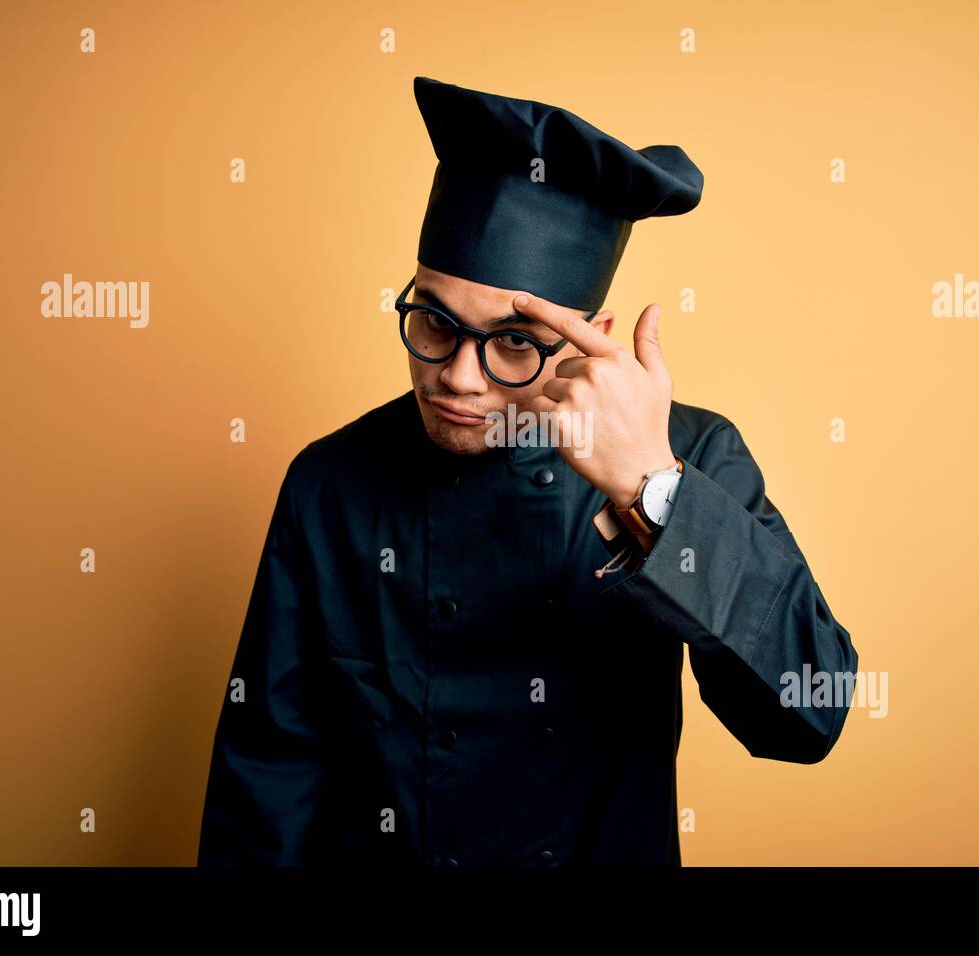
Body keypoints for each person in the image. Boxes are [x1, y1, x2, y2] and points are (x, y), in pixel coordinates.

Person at [196, 75, 859, 867]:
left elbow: (806, 717)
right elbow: (269, 773)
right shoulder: (330, 483)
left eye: (515, 342)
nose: (461, 378)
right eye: (434, 322)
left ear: (589, 337)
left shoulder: (694, 456)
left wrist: (651, 488)